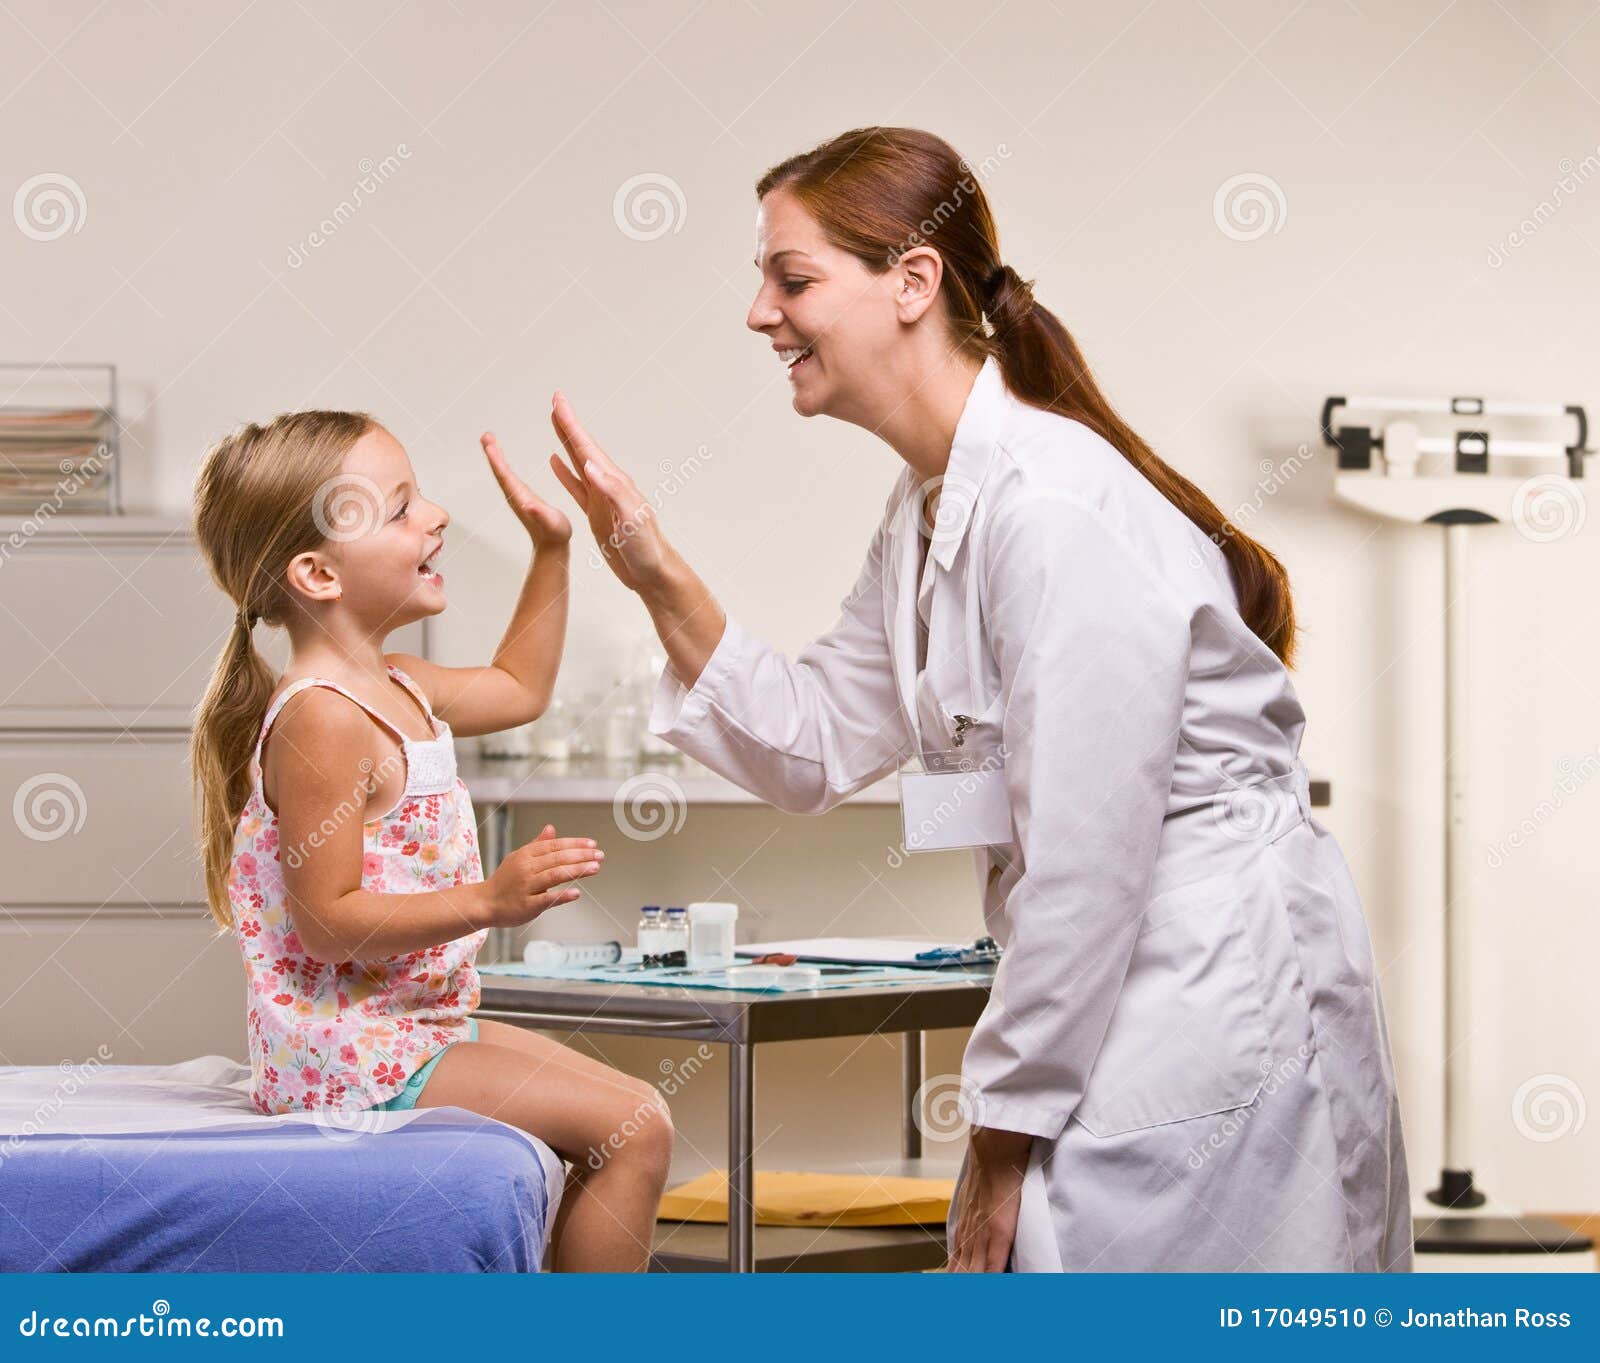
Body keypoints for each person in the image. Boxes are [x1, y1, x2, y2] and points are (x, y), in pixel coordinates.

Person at [543, 126, 1411, 1272]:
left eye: (791, 278)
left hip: (1203, 977)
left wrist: (999, 1139)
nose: (760, 313)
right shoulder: (930, 510)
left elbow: (1087, 857)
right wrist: (657, 575)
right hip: (1115, 985)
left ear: (912, 282)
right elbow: (811, 744)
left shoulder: (1049, 507)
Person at [190, 411, 672, 1271]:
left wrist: (552, 551)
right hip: (351, 1052)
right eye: (402, 507)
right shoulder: (324, 719)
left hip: (413, 1026)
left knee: (639, 1113)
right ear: (318, 573)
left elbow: (519, 686)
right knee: (635, 1129)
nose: (436, 515)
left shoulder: (398, 682)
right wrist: (487, 900)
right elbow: (326, 922)